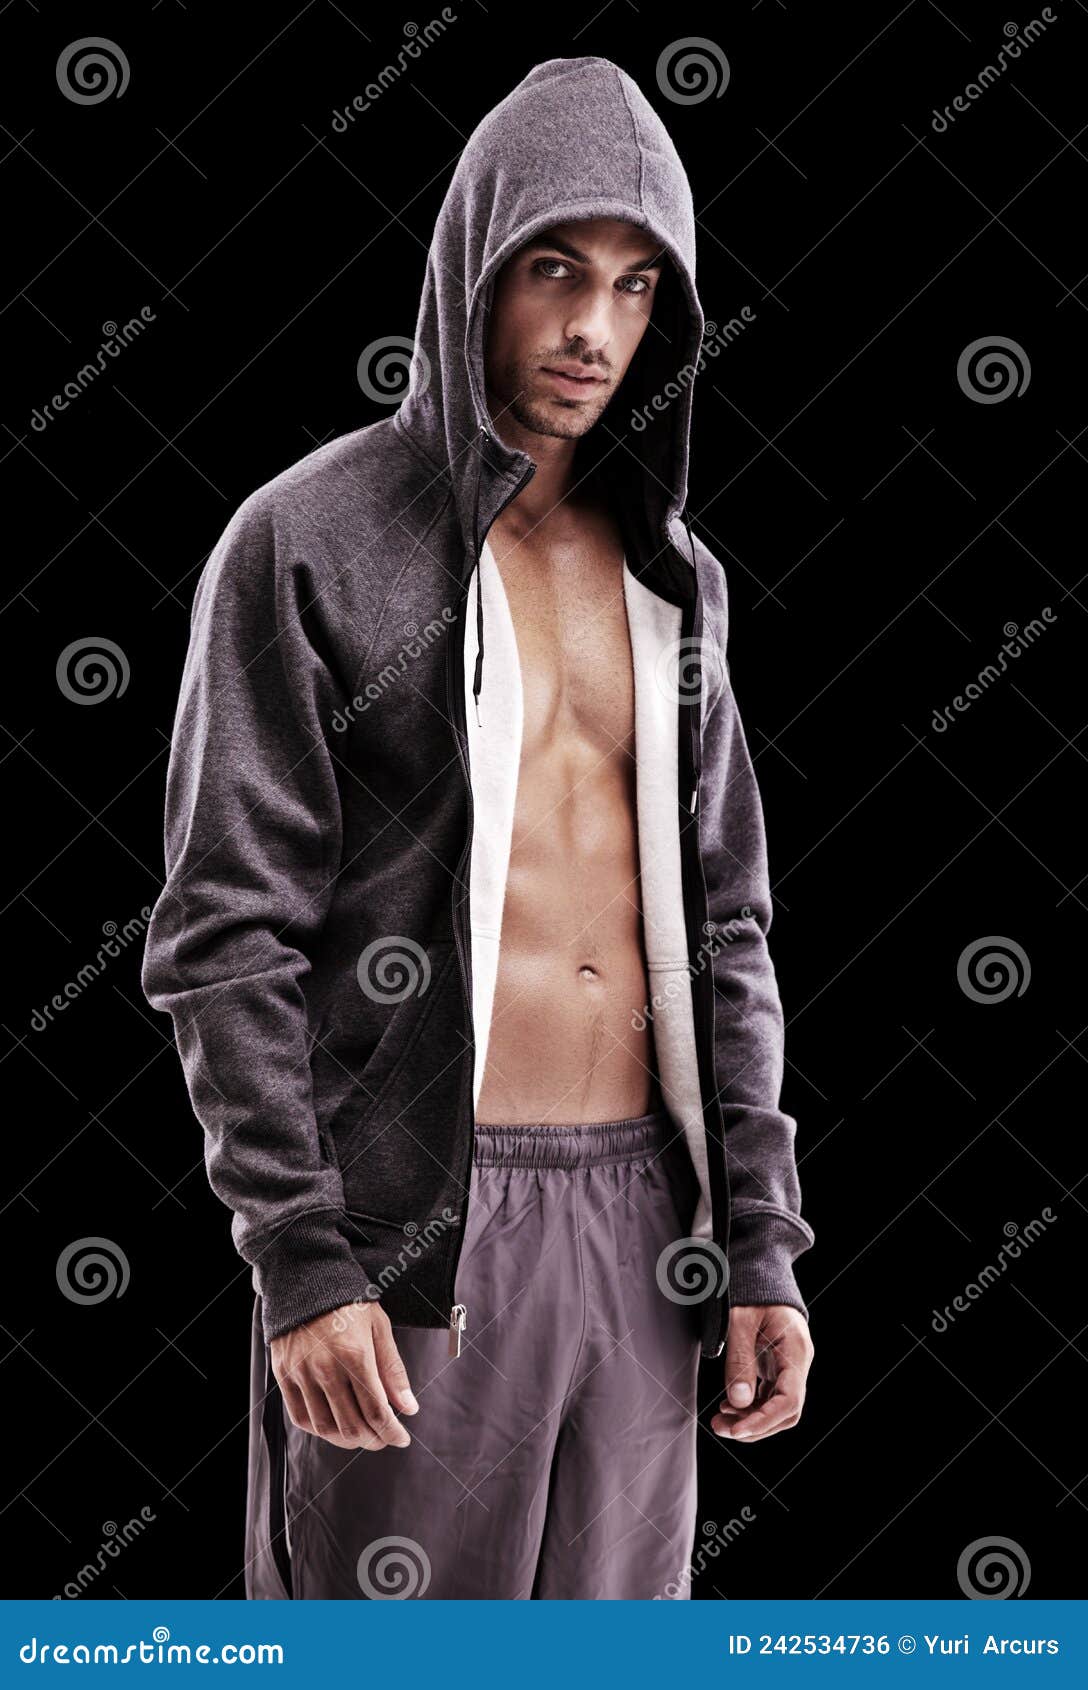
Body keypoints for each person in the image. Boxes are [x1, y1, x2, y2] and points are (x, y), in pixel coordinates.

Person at [143, 55, 815, 1601]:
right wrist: (303, 1258)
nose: (594, 326)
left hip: (649, 1230)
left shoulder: (678, 581)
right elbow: (222, 934)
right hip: (416, 1229)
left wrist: (763, 1244)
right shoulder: (304, 542)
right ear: (473, 271)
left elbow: (728, 930)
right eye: (555, 271)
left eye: (640, 288)